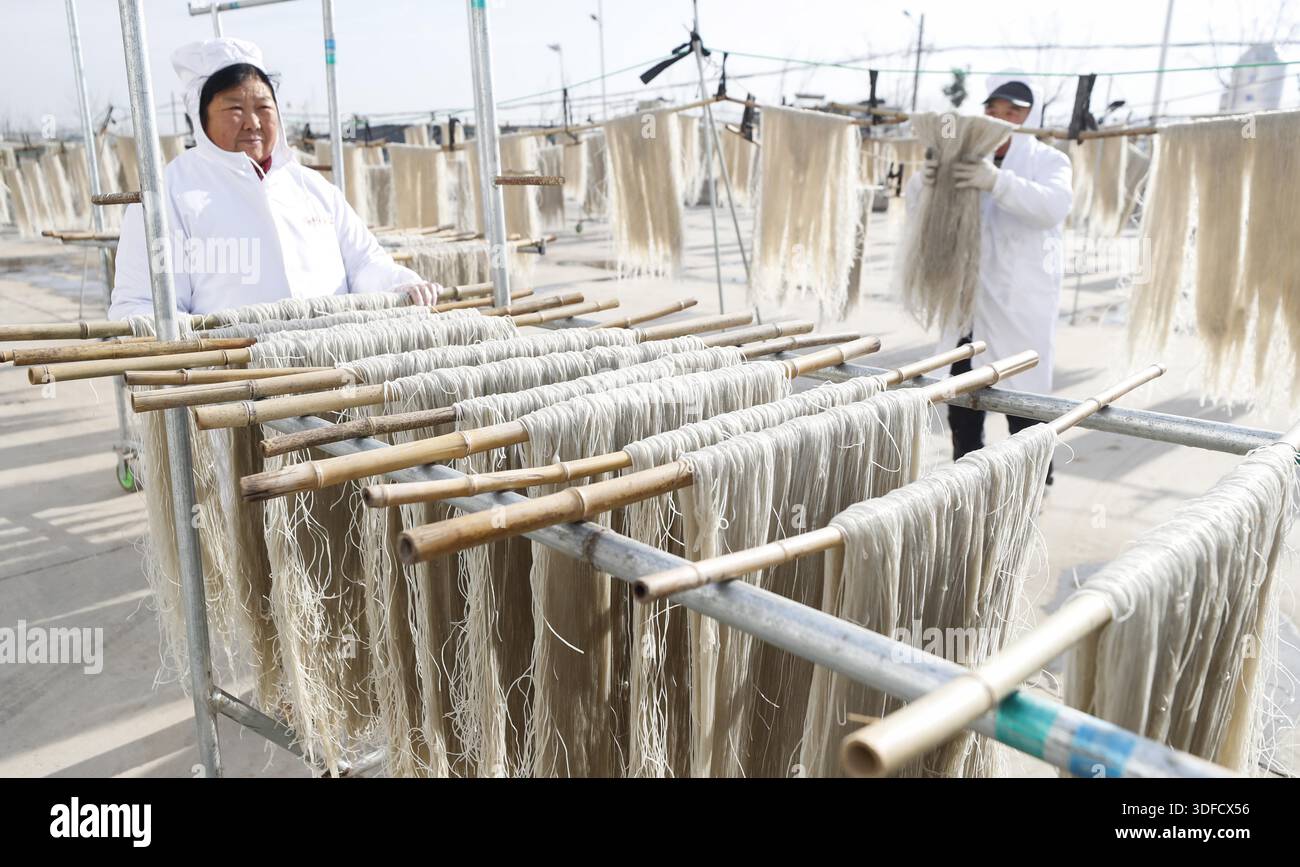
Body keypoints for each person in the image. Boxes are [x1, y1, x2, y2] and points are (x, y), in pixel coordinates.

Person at [109, 38, 440, 320]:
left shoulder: (312, 188)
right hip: (234, 384)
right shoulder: (169, 196)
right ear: (201, 117)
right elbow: (140, 305)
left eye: (264, 107)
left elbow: (365, 263)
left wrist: (399, 282)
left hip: (335, 375)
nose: (252, 122)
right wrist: (221, 352)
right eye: (235, 108)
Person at [909, 72, 1072, 483]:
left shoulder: (1048, 161)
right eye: (993, 111)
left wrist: (997, 182)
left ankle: (1034, 483)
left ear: (1027, 116)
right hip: (967, 304)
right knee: (962, 398)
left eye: (1012, 112)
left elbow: (1053, 206)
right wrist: (924, 184)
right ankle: (967, 476)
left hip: (1019, 303)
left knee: (1025, 406)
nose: (1001, 119)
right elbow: (920, 214)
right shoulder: (962, 155)